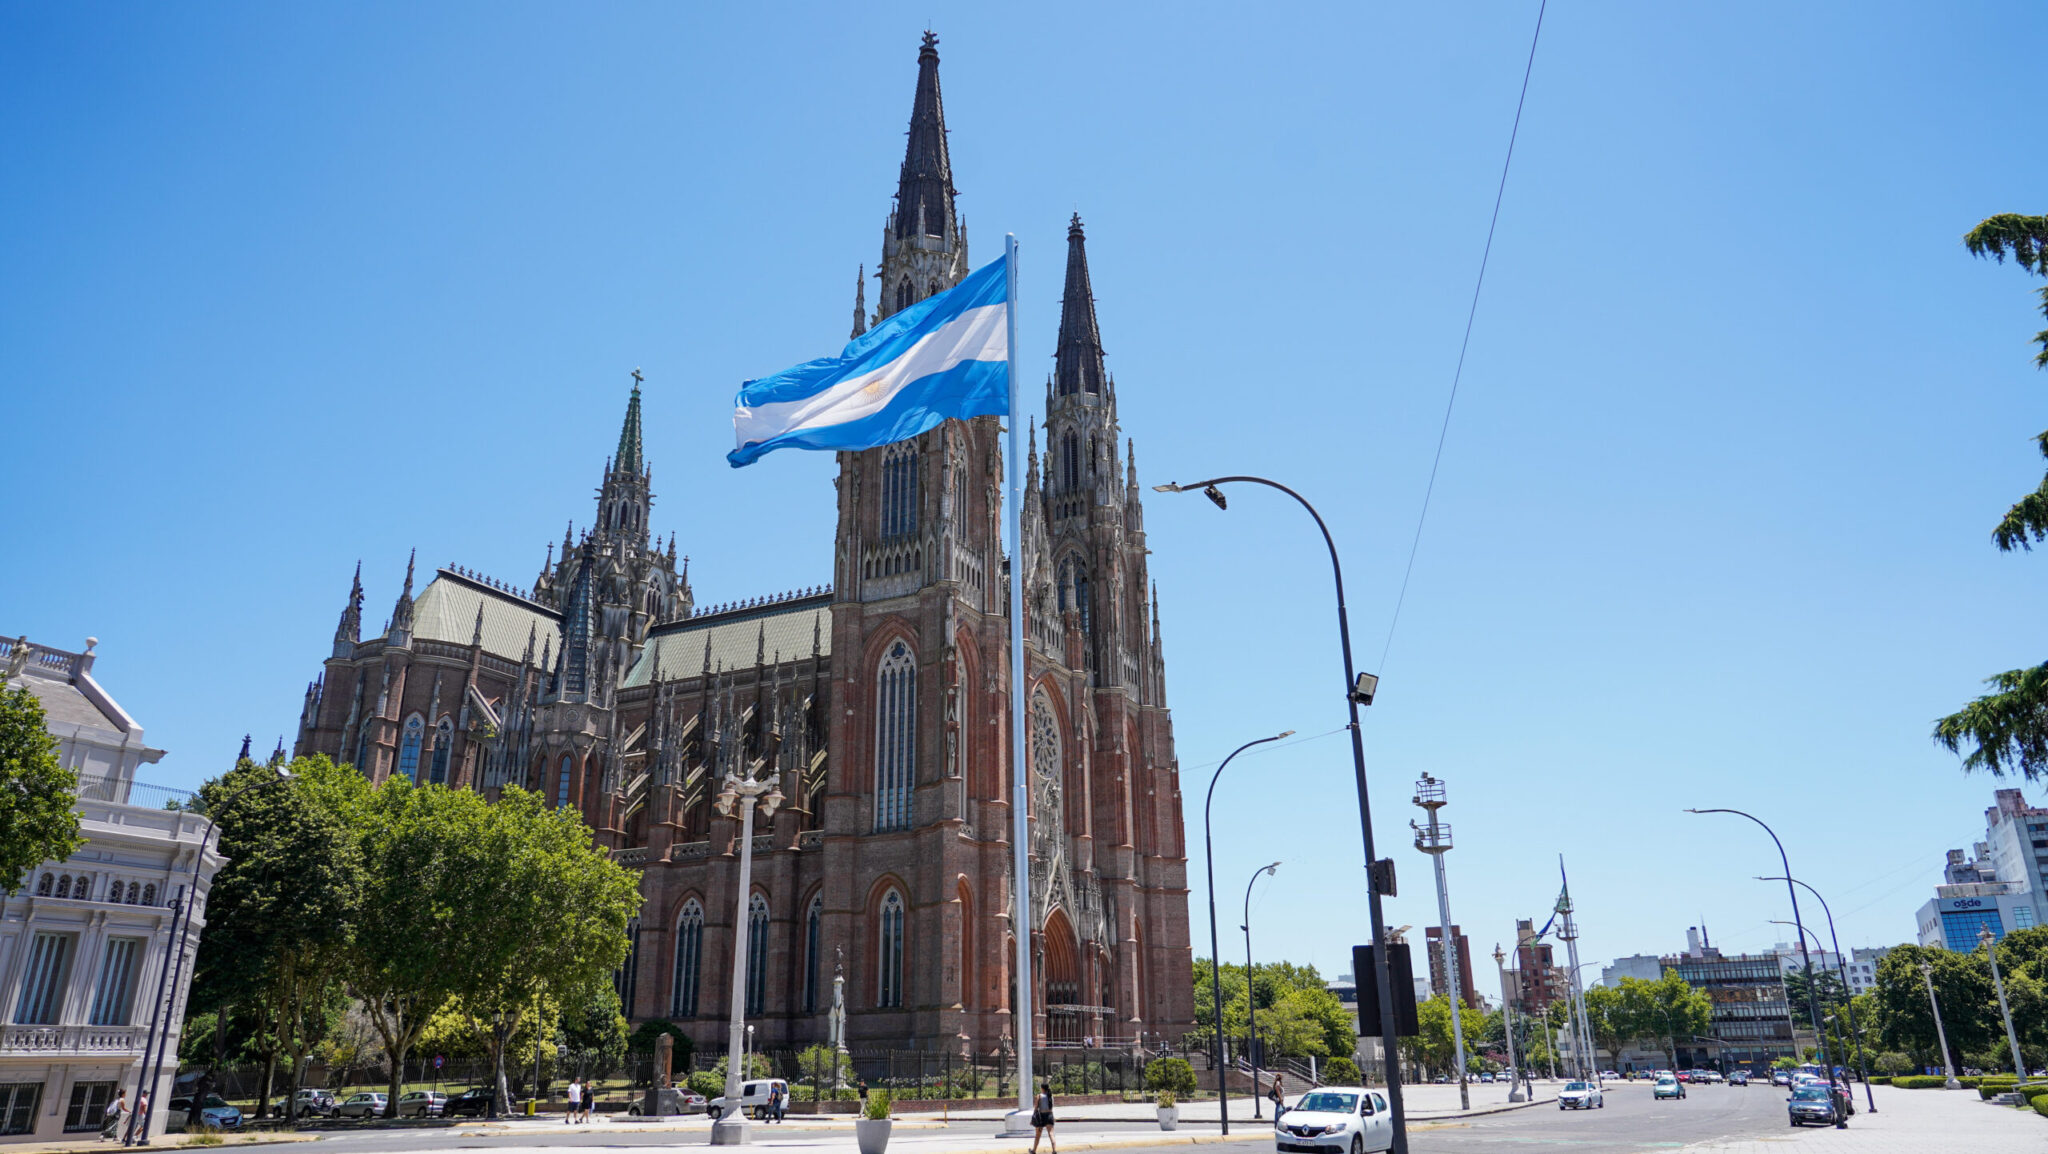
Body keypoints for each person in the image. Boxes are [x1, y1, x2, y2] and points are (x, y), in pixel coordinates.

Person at [1029, 1079, 1056, 1154]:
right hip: (1050, 1115)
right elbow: (1051, 1108)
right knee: (1051, 1134)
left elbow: (1036, 1107)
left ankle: (1034, 1150)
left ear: (1042, 1088)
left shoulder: (1039, 1096)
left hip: (1041, 1117)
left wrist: (1032, 1118)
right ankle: (1054, 1150)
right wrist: (1053, 1117)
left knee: (1038, 1135)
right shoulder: (1051, 1096)